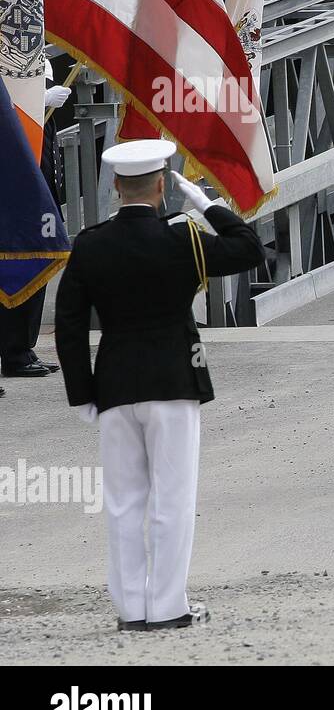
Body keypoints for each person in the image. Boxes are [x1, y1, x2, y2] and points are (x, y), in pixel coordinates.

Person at [54, 139, 265, 631]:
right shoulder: (182, 237)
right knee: (172, 500)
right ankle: (168, 606)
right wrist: (205, 201)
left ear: (116, 187)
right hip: (173, 380)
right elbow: (249, 249)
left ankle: (131, 611)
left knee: (125, 502)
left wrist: (82, 392)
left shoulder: (90, 242)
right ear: (163, 184)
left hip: (115, 385)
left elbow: (68, 324)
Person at [0, 72, 73, 385]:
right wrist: (39, 100)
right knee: (23, 262)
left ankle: (24, 348)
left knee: (40, 261)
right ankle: (14, 352)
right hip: (21, 196)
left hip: (40, 190)